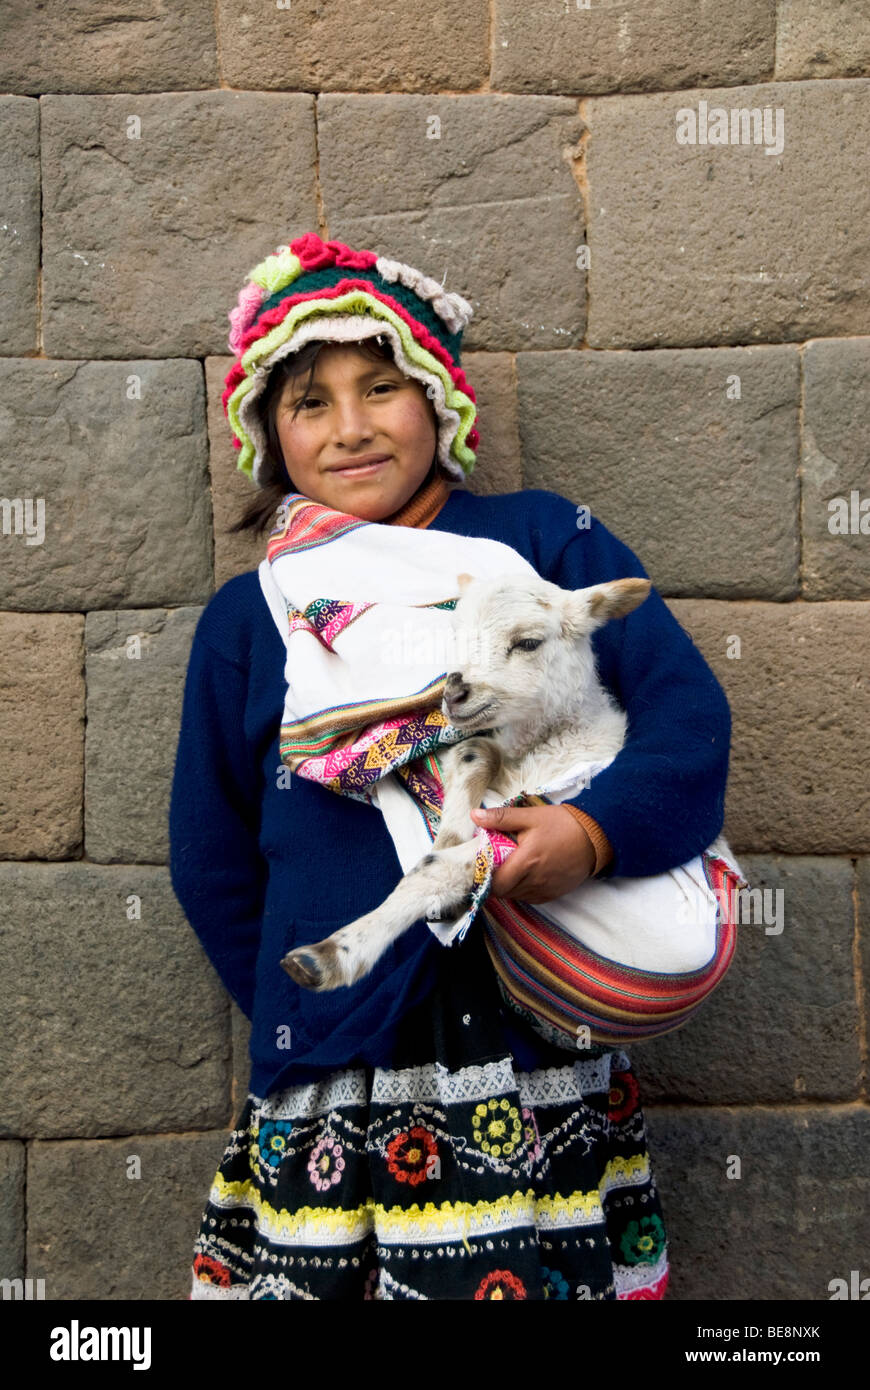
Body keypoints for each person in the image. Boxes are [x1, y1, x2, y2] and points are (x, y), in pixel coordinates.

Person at [169, 231, 731, 1301]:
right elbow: (213, 852)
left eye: (382, 387)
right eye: (310, 402)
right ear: (267, 433)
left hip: (533, 1042)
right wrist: (304, 1010)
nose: (350, 427)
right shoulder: (250, 622)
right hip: (340, 1061)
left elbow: (683, 718)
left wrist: (593, 834)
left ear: (437, 400)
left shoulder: (539, 548)